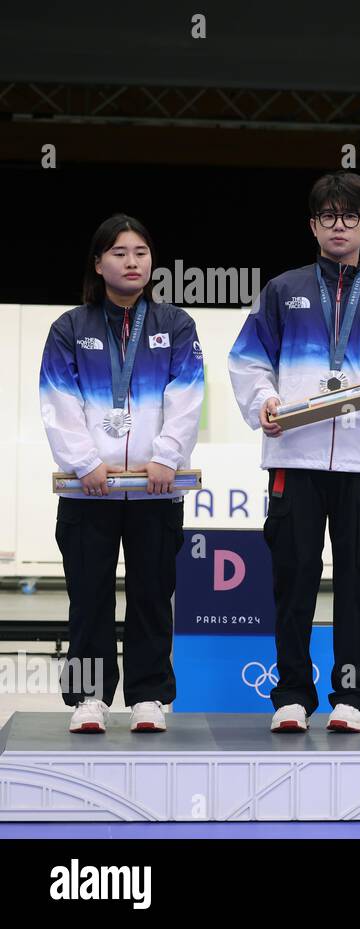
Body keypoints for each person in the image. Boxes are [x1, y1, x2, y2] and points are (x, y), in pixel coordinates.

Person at [229, 171, 360, 734]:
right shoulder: (283, 290)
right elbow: (248, 361)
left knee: (358, 580)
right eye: (327, 216)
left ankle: (352, 693)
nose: (338, 226)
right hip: (295, 456)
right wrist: (265, 401)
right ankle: (292, 692)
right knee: (292, 579)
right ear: (312, 225)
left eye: (350, 216)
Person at [40, 214, 204, 734]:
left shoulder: (176, 326)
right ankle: (88, 698)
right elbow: (56, 400)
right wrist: (86, 463)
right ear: (98, 263)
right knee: (88, 598)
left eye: (140, 252)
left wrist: (167, 456)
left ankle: (149, 695)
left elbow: (188, 396)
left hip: (155, 490)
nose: (132, 262)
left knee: (152, 596)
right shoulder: (70, 328)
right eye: (119, 253)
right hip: (90, 493)